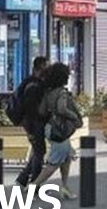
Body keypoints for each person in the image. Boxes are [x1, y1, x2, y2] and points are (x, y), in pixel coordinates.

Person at [31, 63, 81, 199]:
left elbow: (41, 111)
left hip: (51, 127)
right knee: (54, 163)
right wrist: (74, 116)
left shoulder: (48, 92)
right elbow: (62, 109)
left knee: (66, 158)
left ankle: (65, 187)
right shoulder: (61, 92)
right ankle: (34, 186)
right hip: (59, 130)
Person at [15, 56, 49, 187]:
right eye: (46, 67)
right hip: (34, 123)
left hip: (33, 123)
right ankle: (34, 183)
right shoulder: (34, 85)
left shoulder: (32, 82)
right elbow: (30, 108)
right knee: (40, 152)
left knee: (38, 151)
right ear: (39, 68)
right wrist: (29, 129)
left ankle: (23, 179)